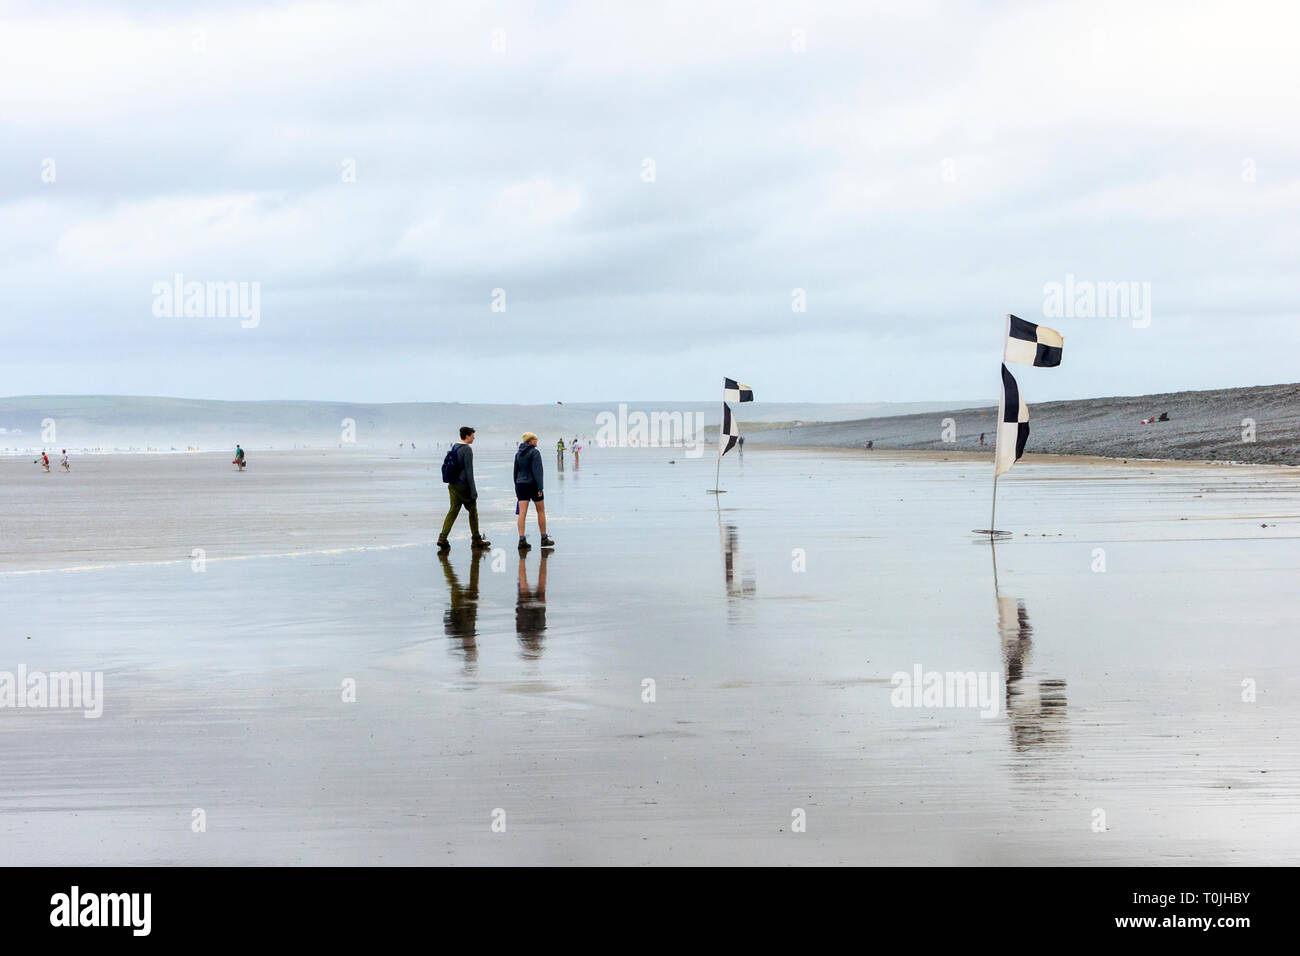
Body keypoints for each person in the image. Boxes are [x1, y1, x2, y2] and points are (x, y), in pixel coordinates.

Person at [438, 426, 491, 552]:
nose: (474, 437)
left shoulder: (455, 447)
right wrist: (473, 490)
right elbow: (469, 471)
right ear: (467, 436)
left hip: (452, 484)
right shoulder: (467, 449)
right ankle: (476, 539)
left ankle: (442, 537)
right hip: (462, 485)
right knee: (473, 510)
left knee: (453, 510)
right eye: (472, 435)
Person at [514, 432, 554, 550]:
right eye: (535, 439)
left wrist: (516, 487)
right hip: (533, 485)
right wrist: (540, 487)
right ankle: (544, 538)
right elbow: (538, 471)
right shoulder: (534, 453)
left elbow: (515, 472)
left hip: (520, 485)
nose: (537, 441)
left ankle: (522, 540)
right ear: (530, 440)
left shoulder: (518, 454)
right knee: (540, 511)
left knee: (522, 513)